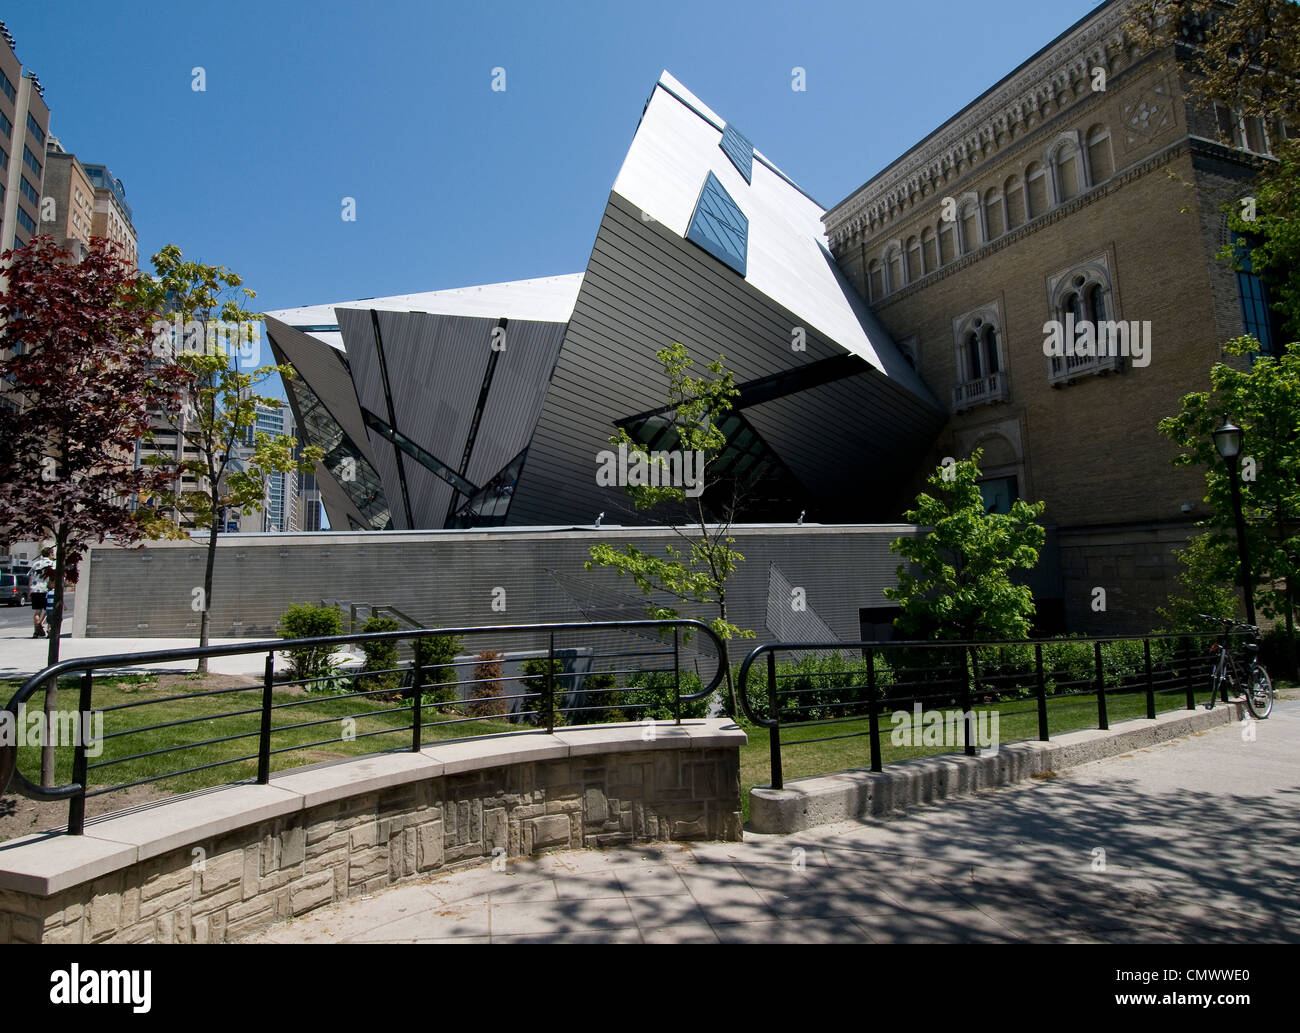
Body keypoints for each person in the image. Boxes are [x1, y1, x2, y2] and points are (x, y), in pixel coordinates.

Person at [29, 563, 49, 638]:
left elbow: (30, 578)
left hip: (35, 590)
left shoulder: (35, 564)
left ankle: (36, 631)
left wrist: (30, 590)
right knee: (48, 609)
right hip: (45, 590)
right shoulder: (50, 564)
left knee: (37, 612)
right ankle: (40, 624)